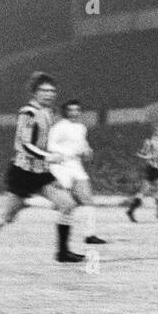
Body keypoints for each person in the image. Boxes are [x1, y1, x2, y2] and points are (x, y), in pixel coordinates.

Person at [0, 72, 86, 265]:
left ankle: (62, 252)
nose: (49, 94)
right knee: (6, 216)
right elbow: (24, 144)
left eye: (52, 91)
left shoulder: (49, 112)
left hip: (40, 172)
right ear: (34, 93)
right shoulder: (28, 112)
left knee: (68, 204)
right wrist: (48, 156)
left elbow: (42, 142)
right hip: (22, 174)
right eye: (44, 90)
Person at [47, 99, 107, 244]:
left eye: (77, 110)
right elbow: (50, 145)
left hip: (76, 166)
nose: (74, 113)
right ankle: (63, 241)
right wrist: (67, 152)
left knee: (88, 200)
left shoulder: (81, 127)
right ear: (65, 112)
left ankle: (90, 235)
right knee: (64, 203)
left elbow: (82, 143)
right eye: (71, 110)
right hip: (61, 166)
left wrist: (87, 150)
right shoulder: (59, 127)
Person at [124, 125, 158, 222]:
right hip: (151, 168)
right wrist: (149, 157)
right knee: (154, 189)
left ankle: (131, 210)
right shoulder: (149, 142)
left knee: (156, 190)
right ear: (154, 132)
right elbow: (140, 153)